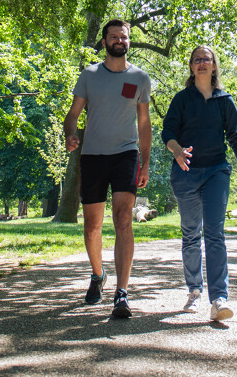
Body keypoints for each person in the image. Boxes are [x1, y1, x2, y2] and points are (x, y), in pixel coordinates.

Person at [64, 19, 152, 318]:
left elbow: (144, 123)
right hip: (92, 156)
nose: (119, 40)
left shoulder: (140, 78)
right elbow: (73, 113)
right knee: (92, 226)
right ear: (104, 42)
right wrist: (71, 133)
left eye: (123, 36)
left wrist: (146, 161)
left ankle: (122, 293)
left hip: (125, 155)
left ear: (129, 41)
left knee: (123, 219)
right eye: (113, 36)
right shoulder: (89, 75)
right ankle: (98, 275)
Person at [162, 45, 237, 322]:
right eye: (197, 60)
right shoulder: (182, 99)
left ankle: (219, 298)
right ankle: (194, 291)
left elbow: (236, 138)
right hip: (186, 173)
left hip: (217, 171)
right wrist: (177, 150)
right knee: (191, 234)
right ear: (191, 67)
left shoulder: (225, 100)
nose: (202, 63)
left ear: (214, 66)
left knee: (215, 234)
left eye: (207, 59)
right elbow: (167, 131)